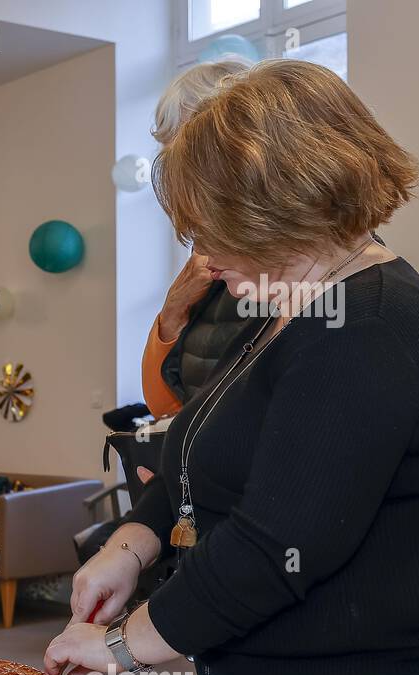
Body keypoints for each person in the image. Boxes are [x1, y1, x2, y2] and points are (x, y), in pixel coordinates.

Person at [44, 60, 419, 675]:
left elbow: (273, 545)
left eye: (217, 229)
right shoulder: (289, 307)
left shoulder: (369, 329)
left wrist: (117, 649)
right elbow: (195, 457)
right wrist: (130, 546)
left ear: (282, 206)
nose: (206, 258)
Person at [141, 59, 256, 419]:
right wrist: (171, 314)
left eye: (185, 147)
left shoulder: (284, 262)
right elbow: (164, 406)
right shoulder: (205, 262)